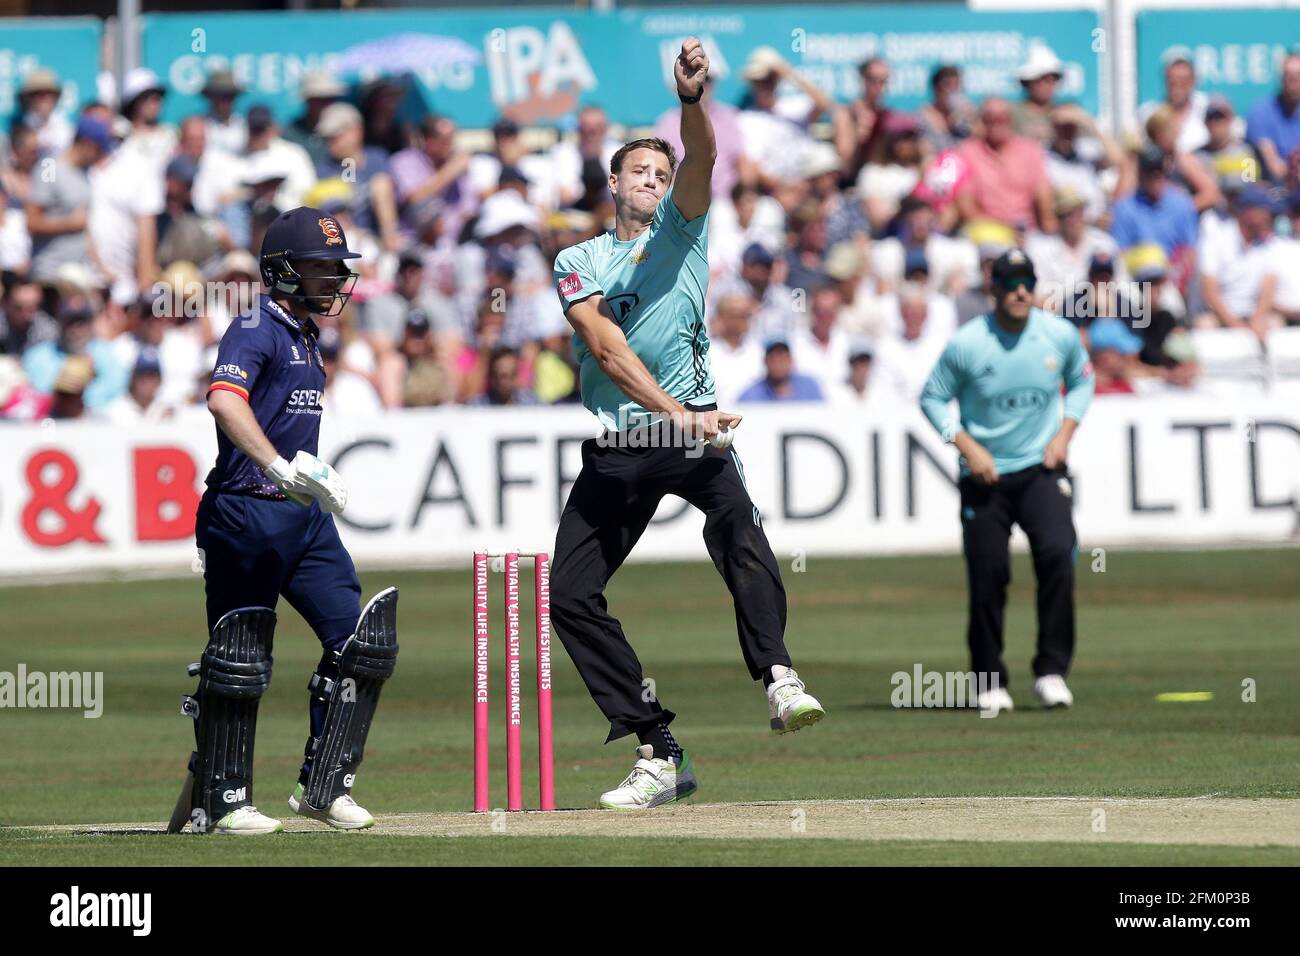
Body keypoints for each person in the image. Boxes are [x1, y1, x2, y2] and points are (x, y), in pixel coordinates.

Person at [549, 38, 824, 812]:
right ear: (612, 183)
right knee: (567, 596)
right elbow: (605, 347)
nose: (654, 181)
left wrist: (693, 104)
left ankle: (778, 675)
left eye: (662, 174)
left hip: (686, 438)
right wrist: (682, 414)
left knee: (737, 520)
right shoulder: (580, 258)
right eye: (640, 170)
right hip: (627, 442)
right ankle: (656, 749)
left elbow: (700, 159)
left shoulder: (684, 228)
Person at [173, 206, 399, 835]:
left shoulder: (306, 333)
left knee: (362, 645)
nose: (337, 279)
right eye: (325, 267)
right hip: (246, 510)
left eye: (339, 267)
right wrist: (274, 465)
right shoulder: (255, 326)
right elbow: (222, 398)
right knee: (241, 657)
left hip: (303, 518)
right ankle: (223, 799)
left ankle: (324, 786)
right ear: (285, 270)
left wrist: (308, 476)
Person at [919, 249, 1095, 715]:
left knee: (1058, 554)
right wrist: (967, 447)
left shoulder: (1058, 335)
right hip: (985, 476)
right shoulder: (968, 343)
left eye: (1027, 281)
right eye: (1011, 282)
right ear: (993, 288)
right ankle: (989, 679)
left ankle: (1051, 671)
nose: (1020, 291)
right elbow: (932, 399)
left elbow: (1082, 382)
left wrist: (1064, 435)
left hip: (1042, 469)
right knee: (988, 572)